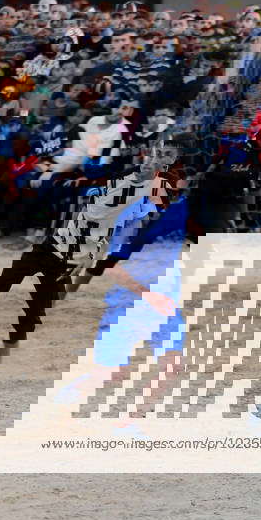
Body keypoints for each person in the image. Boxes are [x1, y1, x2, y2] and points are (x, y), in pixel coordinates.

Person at [94, 163, 191, 415]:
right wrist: (148, 295)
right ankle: (64, 408)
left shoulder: (179, 209)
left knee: (172, 365)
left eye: (179, 192)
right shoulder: (133, 218)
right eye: (171, 190)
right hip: (130, 301)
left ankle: (129, 422)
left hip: (165, 300)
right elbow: (110, 266)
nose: (174, 197)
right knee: (112, 373)